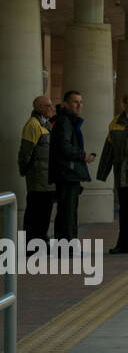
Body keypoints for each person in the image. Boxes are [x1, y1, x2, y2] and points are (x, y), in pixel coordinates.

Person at [97, 92, 128, 254]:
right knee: (124, 211)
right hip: (122, 173)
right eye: (126, 103)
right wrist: (102, 173)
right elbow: (108, 150)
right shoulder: (115, 123)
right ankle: (124, 244)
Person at [48, 90, 94, 240]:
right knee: (67, 212)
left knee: (68, 211)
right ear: (66, 104)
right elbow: (64, 147)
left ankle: (66, 245)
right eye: (75, 102)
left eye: (80, 102)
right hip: (67, 173)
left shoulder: (68, 121)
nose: (79, 105)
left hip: (69, 172)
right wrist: (83, 156)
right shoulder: (64, 122)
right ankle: (67, 246)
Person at [17, 95, 56, 245]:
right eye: (47, 106)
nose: (51, 108)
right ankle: (31, 243)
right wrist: (25, 170)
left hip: (47, 177)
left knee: (45, 212)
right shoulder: (33, 125)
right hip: (38, 177)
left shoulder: (46, 124)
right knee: (35, 212)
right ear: (38, 108)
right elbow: (25, 152)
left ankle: (41, 240)